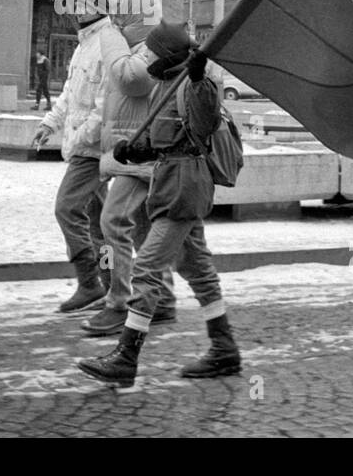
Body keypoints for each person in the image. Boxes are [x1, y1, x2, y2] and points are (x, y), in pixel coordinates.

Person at [78, 21, 239, 388]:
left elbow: (204, 123)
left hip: (185, 188)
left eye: (150, 52)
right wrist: (135, 150)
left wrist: (199, 81)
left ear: (167, 55)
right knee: (197, 269)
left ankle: (126, 357)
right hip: (172, 183)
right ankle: (224, 347)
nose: (144, 58)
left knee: (146, 268)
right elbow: (164, 139)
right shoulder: (165, 85)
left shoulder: (194, 84)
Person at [81, 0, 177, 336]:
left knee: (113, 222)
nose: (113, 18)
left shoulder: (151, 48)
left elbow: (129, 78)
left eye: (119, 12)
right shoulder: (137, 45)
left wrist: (108, 33)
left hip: (139, 154)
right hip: (133, 152)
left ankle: (119, 303)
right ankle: (163, 300)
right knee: (142, 229)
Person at [33, 0, 113, 314]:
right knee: (100, 224)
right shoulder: (84, 44)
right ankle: (113, 284)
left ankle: (89, 281)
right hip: (84, 145)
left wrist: (80, 139)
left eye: (88, 3)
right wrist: (49, 123)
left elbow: (104, 105)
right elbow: (69, 95)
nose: (79, 8)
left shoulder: (107, 43)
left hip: (91, 149)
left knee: (67, 209)